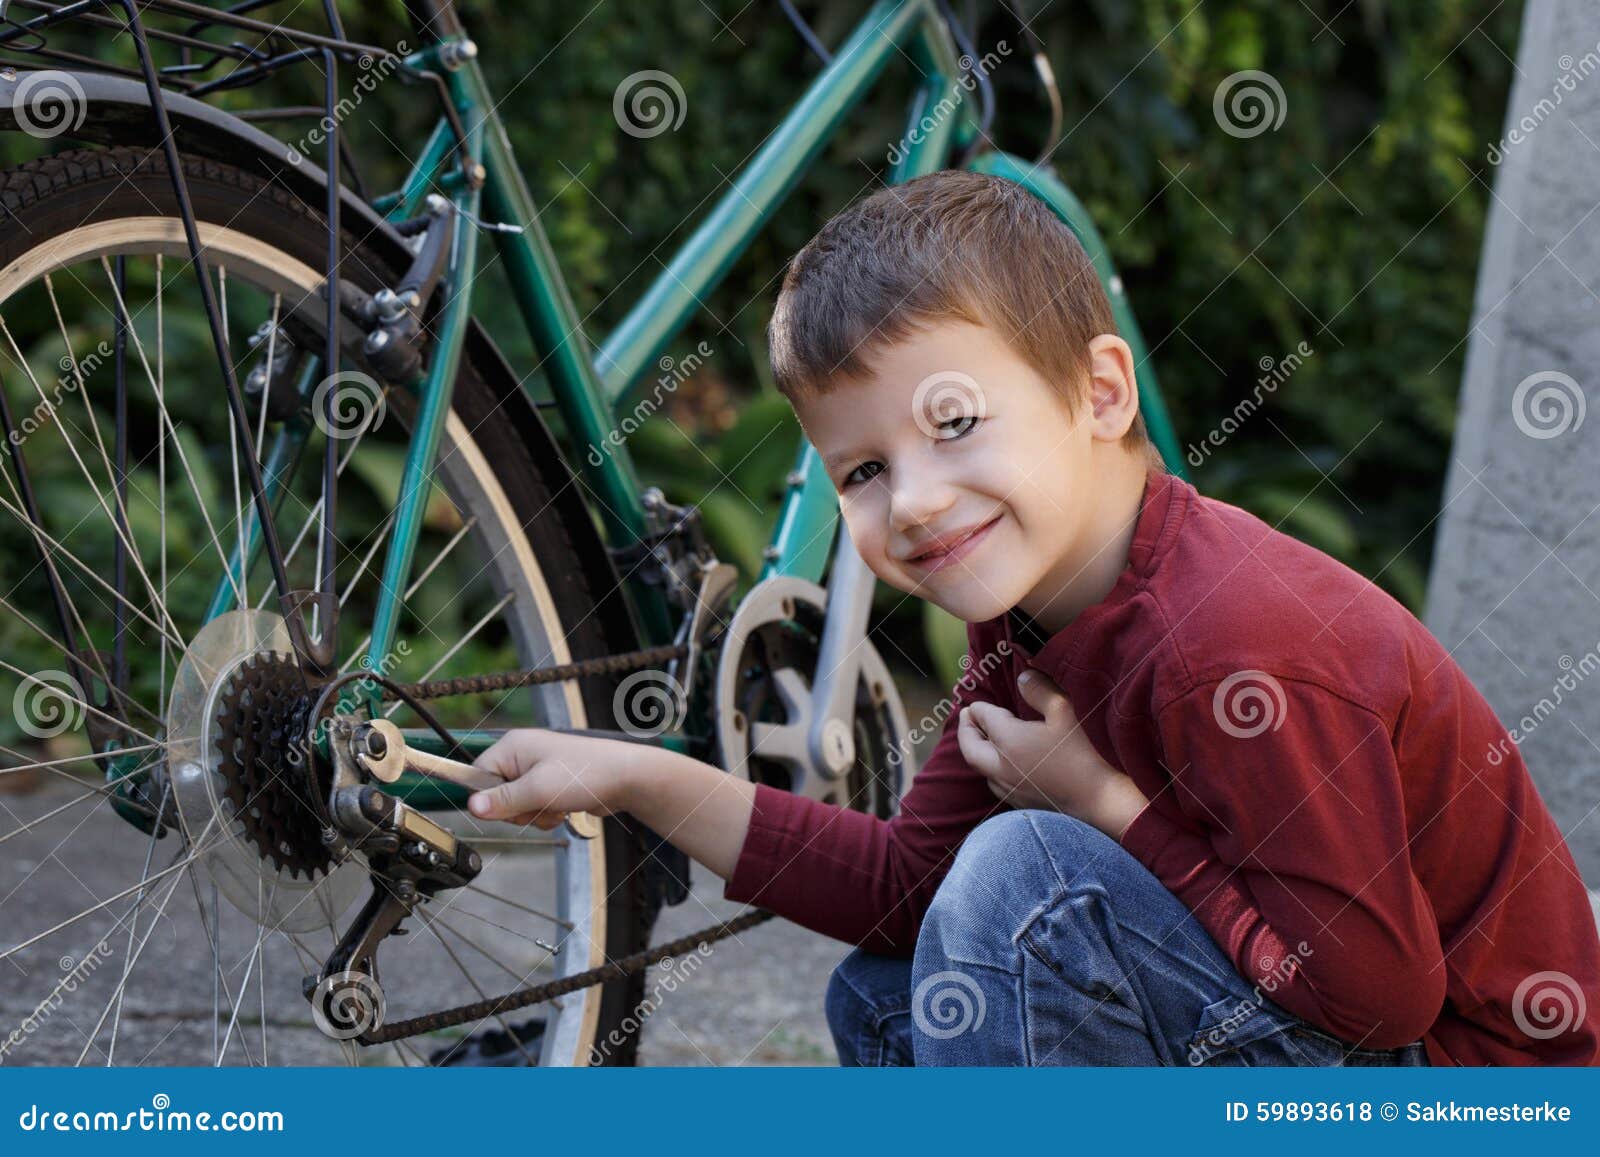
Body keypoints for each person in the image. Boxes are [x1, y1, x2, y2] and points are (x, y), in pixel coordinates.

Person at [467, 170, 1600, 1067]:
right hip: (1327, 1047)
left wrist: (1107, 807)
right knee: (890, 986)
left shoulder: (1237, 641)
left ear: (1100, 392)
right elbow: (902, 888)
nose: (910, 500)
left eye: (954, 420)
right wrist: (636, 777)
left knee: (1026, 884)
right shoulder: (1039, 611)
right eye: (861, 469)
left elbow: (1371, 992)